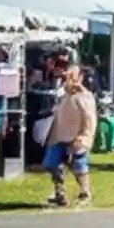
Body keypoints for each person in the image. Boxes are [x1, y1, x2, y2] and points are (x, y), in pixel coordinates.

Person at [42, 67, 97, 208]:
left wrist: (84, 137)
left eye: (72, 75)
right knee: (51, 164)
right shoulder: (65, 95)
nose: (68, 77)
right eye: (67, 75)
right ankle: (59, 193)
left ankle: (85, 193)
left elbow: (90, 120)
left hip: (77, 137)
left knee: (79, 167)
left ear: (80, 78)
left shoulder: (84, 96)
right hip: (59, 137)